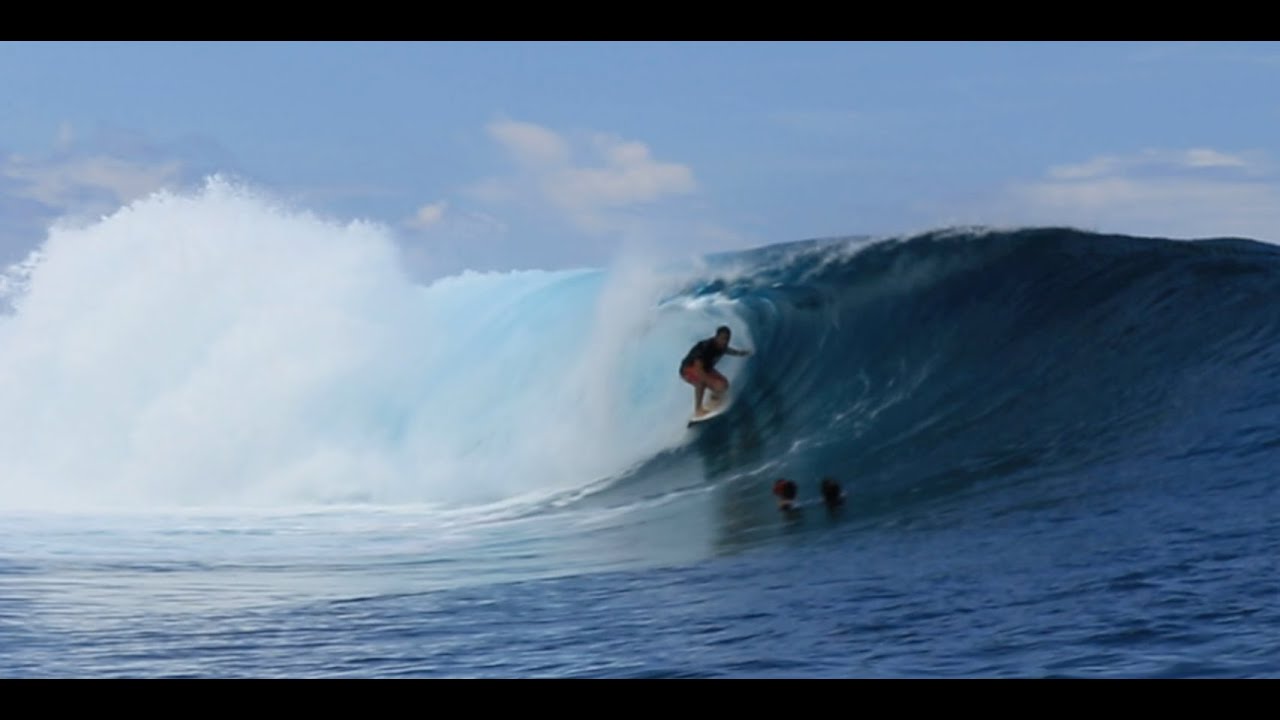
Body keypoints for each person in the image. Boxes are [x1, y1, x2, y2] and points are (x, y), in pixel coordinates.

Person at [680, 325, 750, 418]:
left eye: (727, 339)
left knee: (724, 386)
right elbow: (698, 370)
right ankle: (698, 410)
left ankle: (713, 398)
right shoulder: (706, 347)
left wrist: (742, 353)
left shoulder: (722, 347)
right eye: (722, 338)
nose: (724, 341)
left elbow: (730, 351)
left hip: (705, 369)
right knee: (701, 380)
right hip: (687, 369)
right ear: (716, 337)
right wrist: (712, 383)